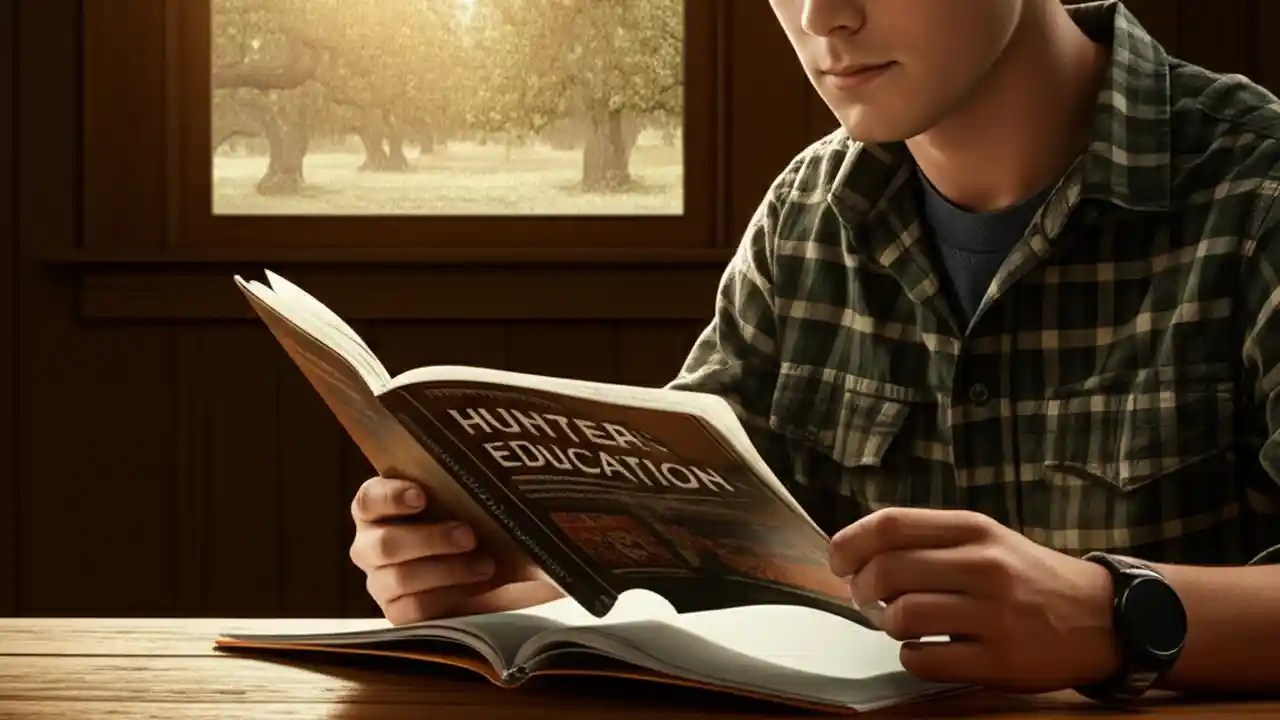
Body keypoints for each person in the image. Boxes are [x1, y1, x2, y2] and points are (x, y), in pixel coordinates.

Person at [348, 0, 1280, 702]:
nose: (819, 16)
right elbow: (690, 551)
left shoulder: (1256, 192)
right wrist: (509, 567)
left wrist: (1114, 615)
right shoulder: (804, 218)